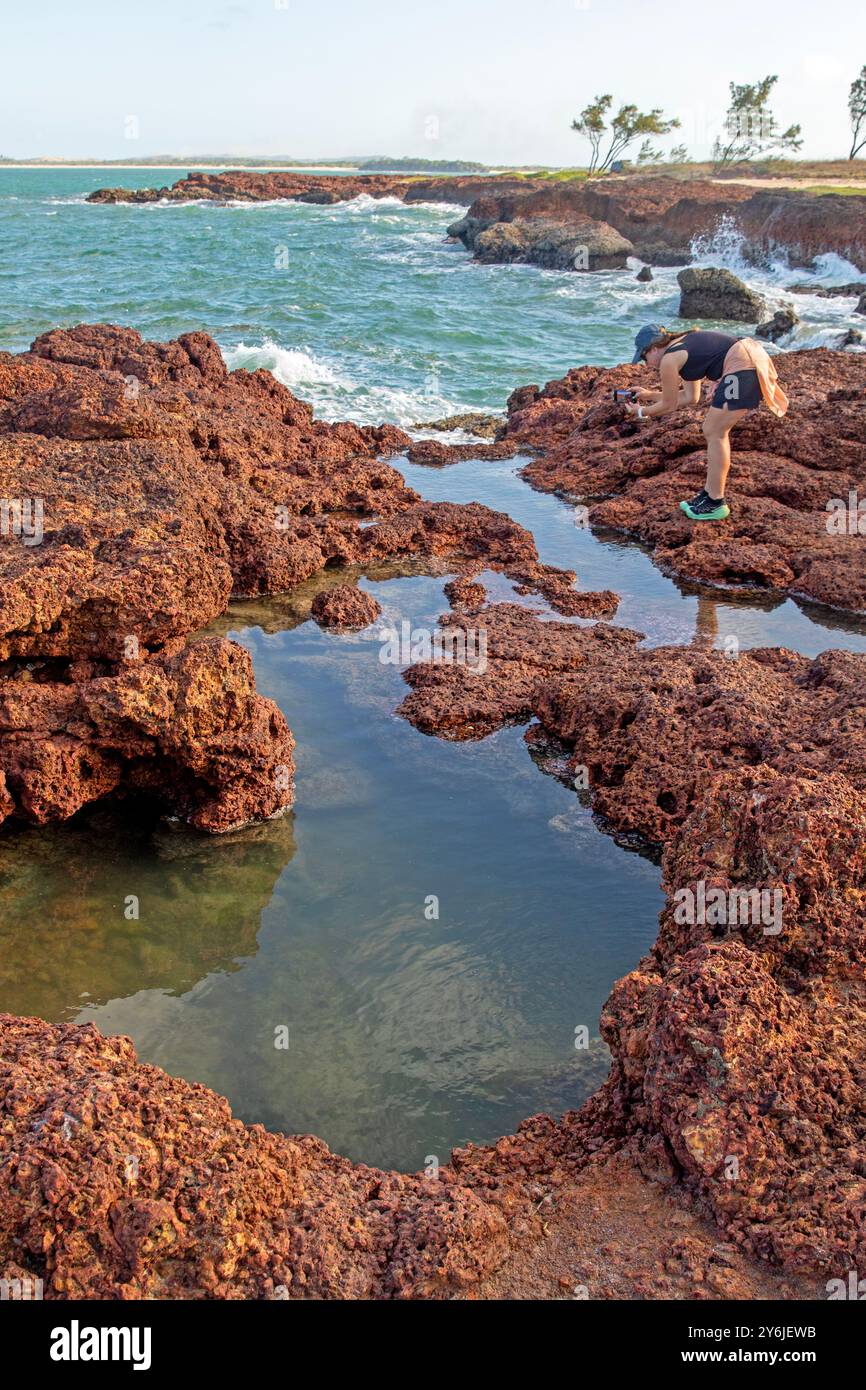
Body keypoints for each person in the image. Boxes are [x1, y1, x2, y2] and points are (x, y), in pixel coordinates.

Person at [626, 323, 789, 521]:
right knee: (713, 430)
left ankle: (715, 502)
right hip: (747, 360)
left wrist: (641, 412)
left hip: (744, 366)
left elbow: (668, 405)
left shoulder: (669, 359)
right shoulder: (682, 347)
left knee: (715, 431)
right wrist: (648, 395)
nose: (646, 364)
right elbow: (690, 397)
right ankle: (709, 495)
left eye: (644, 358)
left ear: (653, 348)